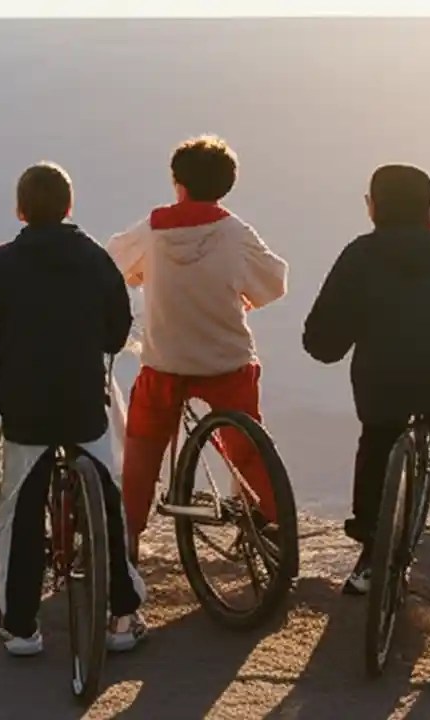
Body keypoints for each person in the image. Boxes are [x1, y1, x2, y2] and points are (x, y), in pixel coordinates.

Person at [0, 161, 147, 657]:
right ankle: (122, 613)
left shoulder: (5, 262)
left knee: (19, 511)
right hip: (82, 401)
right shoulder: (95, 258)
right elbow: (119, 330)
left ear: (20, 210)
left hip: (26, 407)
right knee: (109, 500)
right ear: (69, 207)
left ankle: (20, 625)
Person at [303, 163, 430, 662]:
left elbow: (322, 341)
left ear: (374, 205)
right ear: (428, 209)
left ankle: (372, 557)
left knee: (377, 439)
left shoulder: (359, 254)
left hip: (385, 384)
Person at [106, 135, 288, 561]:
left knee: (143, 450)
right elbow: (275, 279)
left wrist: (142, 277)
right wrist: (246, 296)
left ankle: (127, 540)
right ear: (227, 185)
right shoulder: (234, 231)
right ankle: (277, 523)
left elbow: (113, 260)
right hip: (228, 363)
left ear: (177, 183)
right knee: (247, 448)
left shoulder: (152, 228)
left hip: (166, 362)